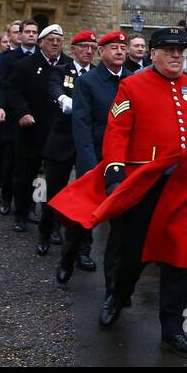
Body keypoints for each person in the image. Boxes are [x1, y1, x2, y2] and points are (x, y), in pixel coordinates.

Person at [50, 28, 187, 359]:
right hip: (146, 184)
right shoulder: (132, 85)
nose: (175, 56)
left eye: (179, 50)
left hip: (185, 187)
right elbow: (118, 130)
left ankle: (173, 331)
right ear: (153, 54)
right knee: (132, 252)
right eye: (168, 50)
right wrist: (115, 169)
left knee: (181, 255)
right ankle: (117, 294)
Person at [58, 30, 131, 286]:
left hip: (122, 159)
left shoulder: (132, 81)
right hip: (96, 156)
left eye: (123, 48)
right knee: (86, 212)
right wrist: (88, 164)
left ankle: (115, 278)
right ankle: (73, 251)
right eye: (114, 48)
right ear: (101, 53)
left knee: (121, 218)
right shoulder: (88, 82)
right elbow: (82, 124)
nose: (120, 52)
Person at [5, 24, 72, 233]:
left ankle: (50, 221)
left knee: (54, 180)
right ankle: (22, 214)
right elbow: (14, 93)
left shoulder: (69, 66)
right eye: (50, 40)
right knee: (26, 174)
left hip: (59, 132)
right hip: (32, 128)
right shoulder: (25, 65)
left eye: (58, 40)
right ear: (40, 42)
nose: (55, 44)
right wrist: (23, 113)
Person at [34, 30, 95, 254]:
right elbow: (54, 89)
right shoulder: (61, 71)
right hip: (62, 138)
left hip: (86, 142)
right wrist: (62, 99)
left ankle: (84, 245)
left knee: (87, 195)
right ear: (73, 50)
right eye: (84, 47)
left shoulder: (97, 75)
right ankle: (46, 231)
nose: (89, 51)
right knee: (54, 190)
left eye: (92, 48)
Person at [0, 20, 37, 212]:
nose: (30, 35)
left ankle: (28, 203)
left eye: (34, 32)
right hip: (10, 115)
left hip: (34, 115)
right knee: (7, 158)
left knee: (31, 163)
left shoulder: (41, 58)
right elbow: (0, 85)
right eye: (26, 31)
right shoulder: (3, 59)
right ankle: (3, 194)